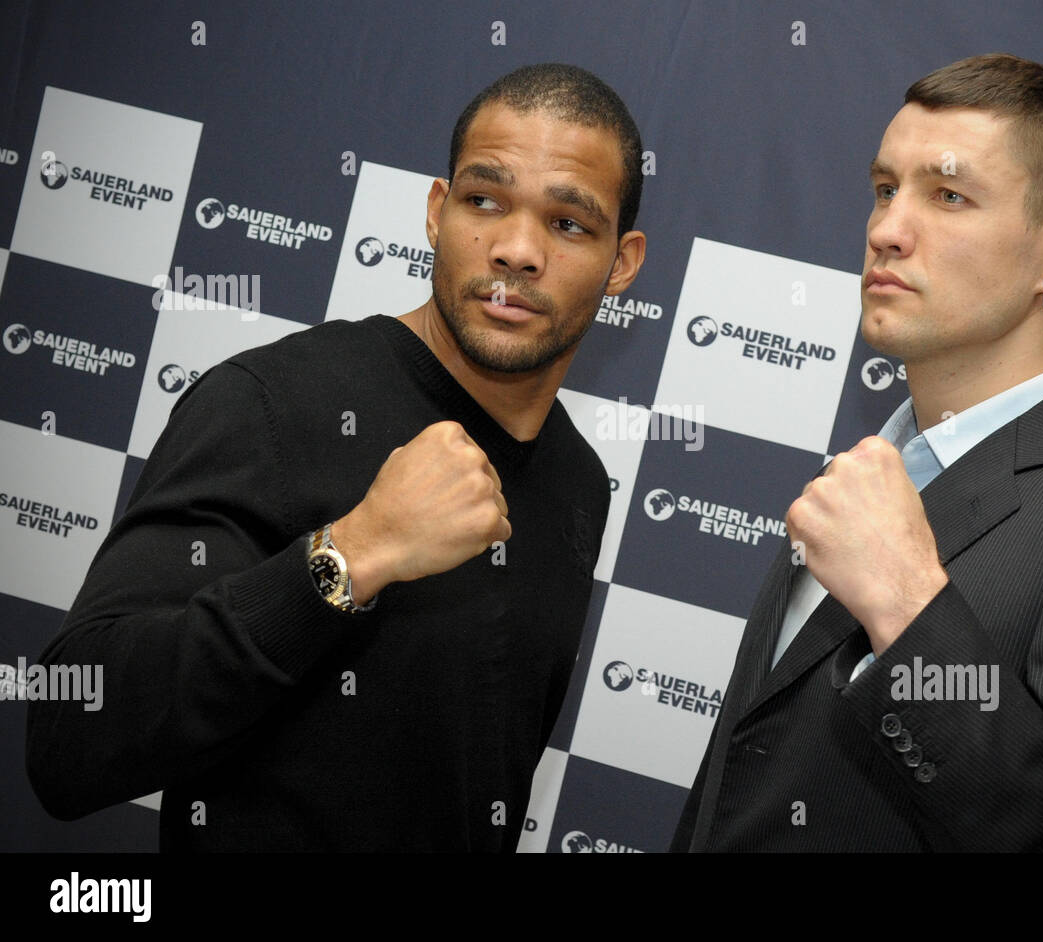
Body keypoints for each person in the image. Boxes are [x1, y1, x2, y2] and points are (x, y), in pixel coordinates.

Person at [26, 62, 647, 852]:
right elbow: (67, 737)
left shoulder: (579, 482)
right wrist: (348, 558)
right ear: (436, 212)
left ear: (622, 263)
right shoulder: (272, 403)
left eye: (568, 224)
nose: (517, 249)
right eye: (484, 200)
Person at [672, 53, 1043, 852]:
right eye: (884, 189)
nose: (885, 231)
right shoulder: (871, 470)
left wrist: (910, 616)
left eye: (947, 196)